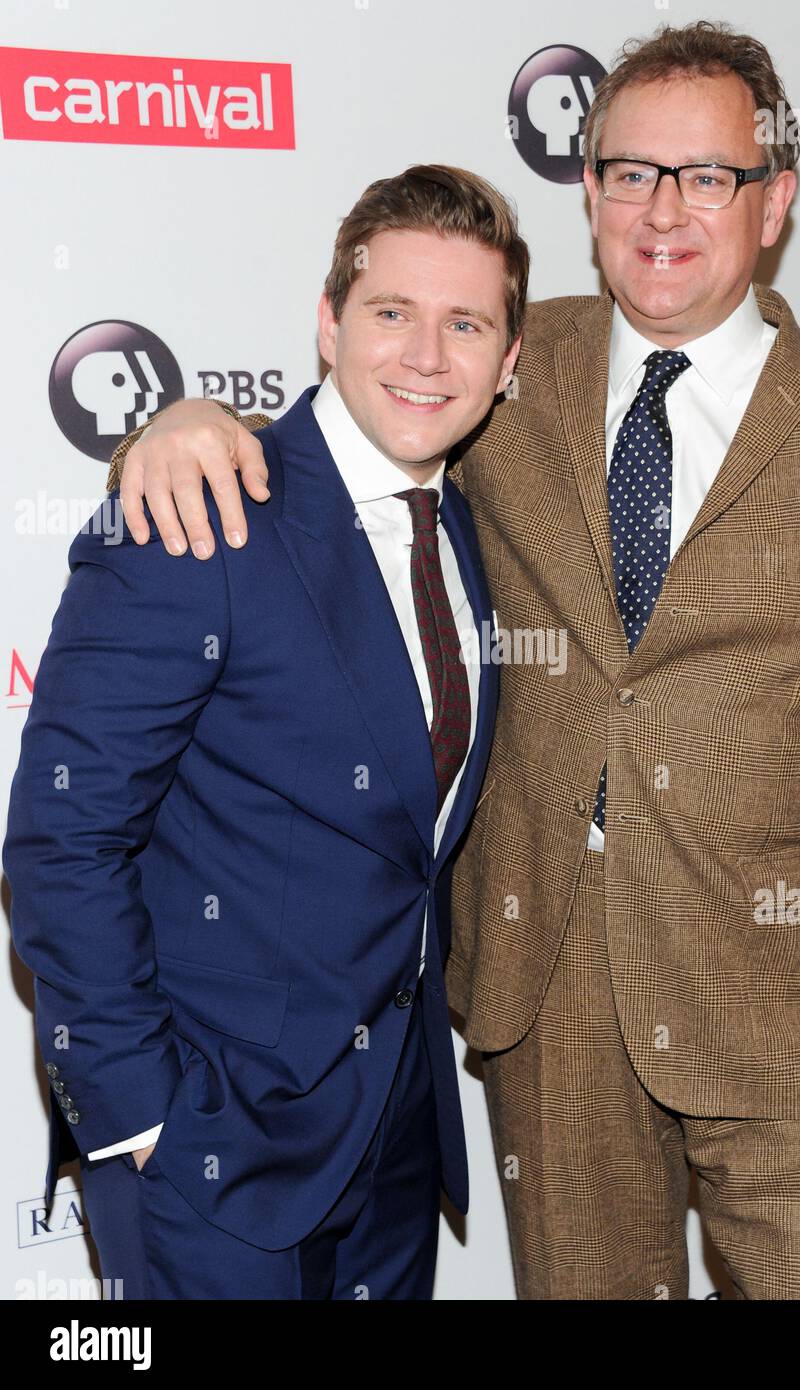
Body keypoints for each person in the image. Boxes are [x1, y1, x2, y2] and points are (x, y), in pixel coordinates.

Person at [103, 21, 800, 1300]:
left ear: (777, 200)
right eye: (631, 172)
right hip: (552, 1003)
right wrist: (188, 425)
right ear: (589, 192)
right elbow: (364, 421)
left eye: (710, 176)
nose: (665, 210)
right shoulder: (509, 369)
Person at [4, 164, 525, 1299]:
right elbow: (60, 839)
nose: (427, 355)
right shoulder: (199, 508)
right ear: (329, 324)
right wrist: (139, 1116)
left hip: (391, 1144)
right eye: (392, 313)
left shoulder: (468, 530)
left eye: (466, 323)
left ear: (509, 359)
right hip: (211, 1149)